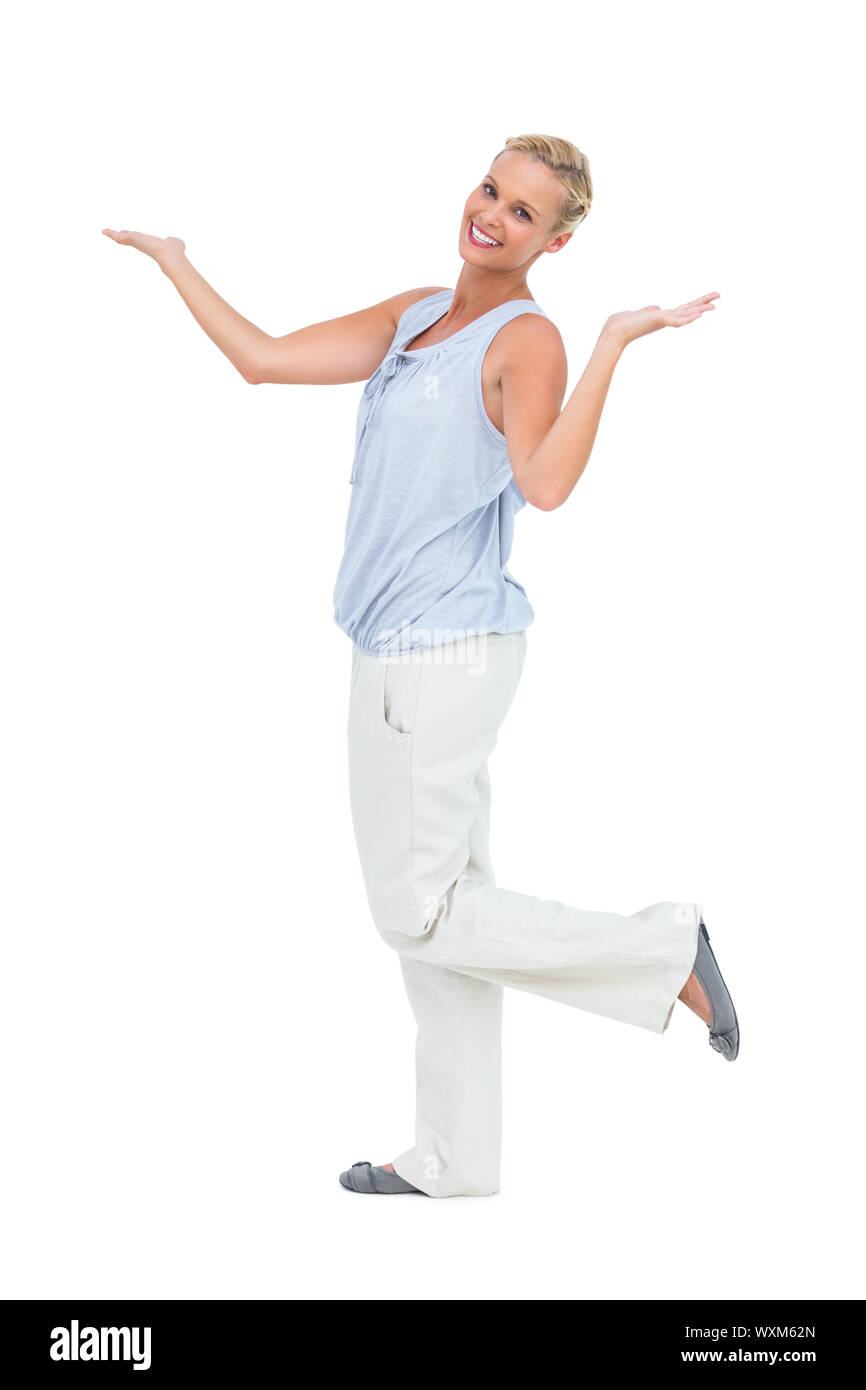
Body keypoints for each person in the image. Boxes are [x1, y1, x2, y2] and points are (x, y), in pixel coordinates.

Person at [102, 131, 739, 1203]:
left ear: (556, 239)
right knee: (446, 906)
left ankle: (664, 948)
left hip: (437, 654)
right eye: (491, 188)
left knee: (419, 909)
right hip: (397, 649)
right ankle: (451, 1158)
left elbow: (540, 483)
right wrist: (176, 261)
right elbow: (262, 358)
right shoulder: (413, 315)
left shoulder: (526, 337)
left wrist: (613, 345)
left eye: (523, 212)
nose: (491, 214)